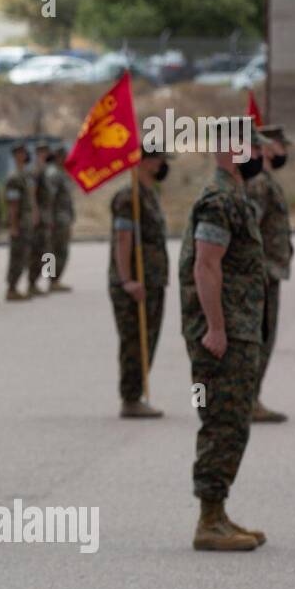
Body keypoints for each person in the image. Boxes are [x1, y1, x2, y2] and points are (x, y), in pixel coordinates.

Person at [178, 132, 266, 552]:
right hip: (224, 333)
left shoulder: (233, 195)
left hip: (238, 328)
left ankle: (218, 511)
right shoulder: (219, 199)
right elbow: (206, 264)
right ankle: (208, 519)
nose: (261, 156)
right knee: (222, 422)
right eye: (256, 148)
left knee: (233, 422)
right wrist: (215, 327)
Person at [109, 152, 170, 418]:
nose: (162, 165)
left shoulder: (148, 194)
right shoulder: (129, 197)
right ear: (144, 161)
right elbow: (123, 239)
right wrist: (127, 280)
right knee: (135, 339)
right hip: (134, 283)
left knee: (149, 338)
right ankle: (130, 398)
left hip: (152, 279)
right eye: (158, 160)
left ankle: (136, 394)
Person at [246, 126, 294, 421]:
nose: (283, 151)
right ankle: (249, 400)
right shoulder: (259, 184)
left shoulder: (265, 181)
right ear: (267, 147)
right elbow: (250, 228)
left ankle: (252, 397)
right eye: (280, 145)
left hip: (270, 269)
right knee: (261, 338)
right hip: (262, 271)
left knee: (265, 337)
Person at [4, 143, 34, 301]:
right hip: (20, 223)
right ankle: (11, 288)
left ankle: (16, 287)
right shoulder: (14, 177)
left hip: (27, 222)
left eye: (24, 152)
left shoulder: (25, 175)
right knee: (17, 256)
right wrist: (13, 225)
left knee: (24, 255)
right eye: (19, 153)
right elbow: (13, 204)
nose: (22, 155)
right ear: (15, 156)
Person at [46, 145, 75, 292]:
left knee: (61, 251)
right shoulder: (54, 175)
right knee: (53, 251)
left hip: (64, 218)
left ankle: (54, 280)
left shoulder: (63, 174)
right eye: (64, 156)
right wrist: (49, 219)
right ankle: (50, 280)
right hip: (57, 219)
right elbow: (50, 198)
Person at [27, 142, 53, 297]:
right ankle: (32, 283)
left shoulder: (45, 170)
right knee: (37, 250)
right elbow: (32, 193)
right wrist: (35, 212)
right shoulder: (36, 171)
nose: (45, 154)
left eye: (46, 151)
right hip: (39, 217)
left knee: (45, 250)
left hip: (46, 216)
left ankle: (40, 281)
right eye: (42, 151)